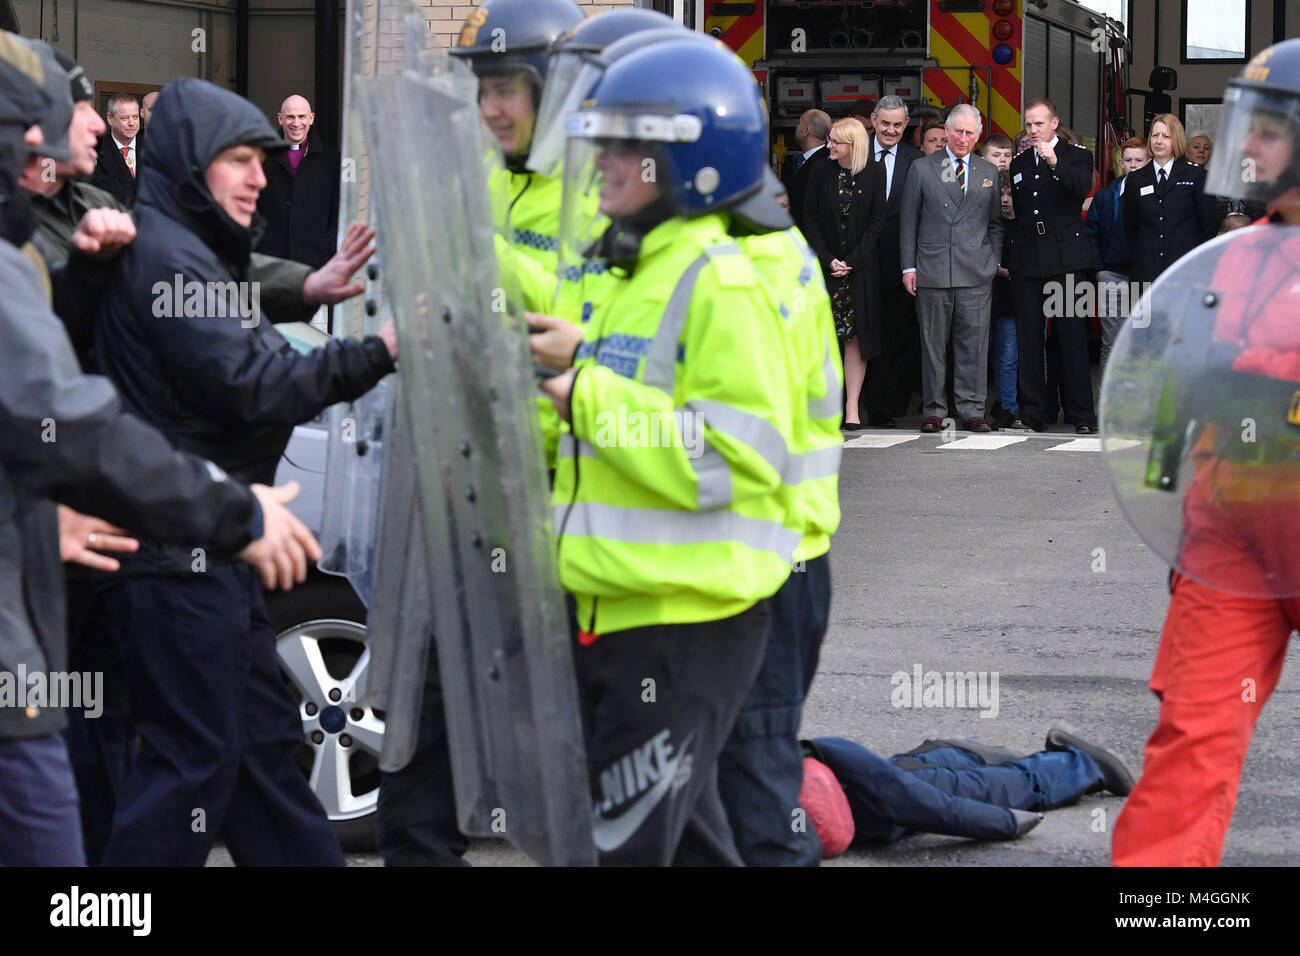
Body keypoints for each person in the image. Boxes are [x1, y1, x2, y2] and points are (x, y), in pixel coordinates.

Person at [0, 32, 320, 867]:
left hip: (110, 556)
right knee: (128, 780)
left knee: (223, 754)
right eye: (66, 110)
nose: (95, 126)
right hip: (108, 561)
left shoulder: (84, 219)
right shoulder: (47, 241)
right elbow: (68, 406)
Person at [87, 77, 398, 867]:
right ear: (192, 163)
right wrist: (381, 349)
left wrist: (309, 287)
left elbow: (238, 290)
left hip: (210, 555)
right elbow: (255, 381)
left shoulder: (185, 245)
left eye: (265, 157)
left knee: (259, 752)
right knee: (194, 765)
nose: (260, 176)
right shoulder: (165, 257)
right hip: (178, 559)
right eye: (237, 159)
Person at [538, 38, 803, 866]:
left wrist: (584, 392)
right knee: (687, 847)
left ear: (690, 160)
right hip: (623, 613)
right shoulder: (635, 274)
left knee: (625, 848)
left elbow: (732, 455)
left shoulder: (716, 280)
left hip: (680, 623)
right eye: (602, 141)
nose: (604, 163)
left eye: (629, 144)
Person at [1111, 38, 1300, 867]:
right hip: (1228, 540)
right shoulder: (1237, 258)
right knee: (1191, 736)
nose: (1245, 146)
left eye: (1267, 130)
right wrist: (1172, 502)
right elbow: (1175, 392)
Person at [800, 724, 1134, 856]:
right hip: (884, 789)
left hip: (892, 791)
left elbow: (923, 803)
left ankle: (1084, 763)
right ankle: (961, 752)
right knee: (924, 772)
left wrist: (1000, 822)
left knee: (998, 790)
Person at [899, 104, 1003, 434]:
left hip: (975, 272)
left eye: (970, 132)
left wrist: (993, 261)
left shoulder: (988, 171)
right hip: (932, 270)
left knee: (974, 344)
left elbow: (996, 223)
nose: (962, 138)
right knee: (933, 346)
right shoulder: (922, 168)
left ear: (978, 135)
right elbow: (908, 222)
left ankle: (972, 409)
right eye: (957, 131)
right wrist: (908, 267)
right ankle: (934, 409)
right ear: (947, 130)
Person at [1005, 97, 1097, 434]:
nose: (1032, 130)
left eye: (1039, 124)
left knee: (1073, 337)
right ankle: (1032, 413)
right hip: (1029, 258)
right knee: (1029, 339)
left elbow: (1080, 187)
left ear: (1054, 123)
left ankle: (1082, 415)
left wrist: (1055, 161)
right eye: (1028, 124)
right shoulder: (1018, 164)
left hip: (1067, 259)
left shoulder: (1078, 156)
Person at [803, 117, 886, 429]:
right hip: (826, 270)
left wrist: (853, 260)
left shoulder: (875, 172)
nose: (829, 146)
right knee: (824, 340)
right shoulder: (820, 170)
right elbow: (809, 219)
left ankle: (852, 408)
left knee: (855, 339)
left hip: (859, 271)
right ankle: (828, 407)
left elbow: (877, 222)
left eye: (836, 142)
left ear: (853, 145)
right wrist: (828, 260)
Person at [865, 95, 923, 427]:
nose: (891, 130)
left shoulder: (916, 161)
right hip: (859, 260)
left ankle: (884, 405)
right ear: (873, 120)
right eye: (885, 123)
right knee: (859, 334)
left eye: (898, 124)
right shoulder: (856, 154)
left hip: (899, 261)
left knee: (895, 334)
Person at [1123, 113, 1218, 285]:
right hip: (1145, 271)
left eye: (1166, 136)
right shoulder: (1136, 179)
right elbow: (1129, 226)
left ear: (1177, 140)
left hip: (1185, 271)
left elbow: (1209, 226)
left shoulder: (1196, 175)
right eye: (1155, 135)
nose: (1159, 141)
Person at [255, 94, 341, 269]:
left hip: (316, 262)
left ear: (311, 118)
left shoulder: (332, 160)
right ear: (280, 119)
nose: (296, 123)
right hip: (270, 262)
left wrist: (327, 248)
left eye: (302, 116)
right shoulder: (261, 157)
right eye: (290, 117)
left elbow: (338, 210)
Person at [1085, 136, 1148, 369]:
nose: (1133, 165)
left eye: (1139, 160)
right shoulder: (1105, 196)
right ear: (1121, 162)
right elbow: (1091, 234)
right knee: (1111, 344)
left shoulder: (1156, 196)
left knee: (1142, 343)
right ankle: (1107, 404)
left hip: (1145, 277)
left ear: (1149, 162)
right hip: (1112, 276)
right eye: (1129, 160)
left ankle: (1139, 403)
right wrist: (1099, 270)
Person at [89, 92, 139, 206]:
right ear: (110, 118)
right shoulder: (95, 150)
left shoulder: (151, 148)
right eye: (125, 118)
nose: (132, 123)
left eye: (135, 117)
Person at [787, 108, 831, 227]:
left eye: (799, 123)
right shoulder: (822, 158)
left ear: (806, 131)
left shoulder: (822, 164)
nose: (796, 127)